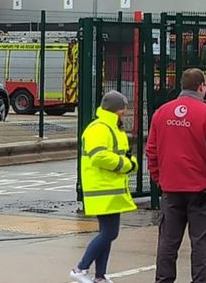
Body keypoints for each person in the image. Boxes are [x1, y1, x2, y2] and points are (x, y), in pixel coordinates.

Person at [146, 68, 206, 283]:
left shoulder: (161, 113)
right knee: (200, 243)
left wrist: (159, 179)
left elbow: (151, 150)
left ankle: (163, 280)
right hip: (201, 190)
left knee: (168, 243)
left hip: (171, 188)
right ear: (201, 87)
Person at [70, 90, 138, 283]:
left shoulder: (110, 127)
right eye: (124, 109)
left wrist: (128, 163)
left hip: (109, 188)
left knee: (107, 233)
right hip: (102, 188)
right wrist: (125, 165)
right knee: (110, 232)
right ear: (117, 110)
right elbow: (99, 156)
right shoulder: (100, 128)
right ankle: (80, 268)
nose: (125, 112)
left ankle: (100, 276)